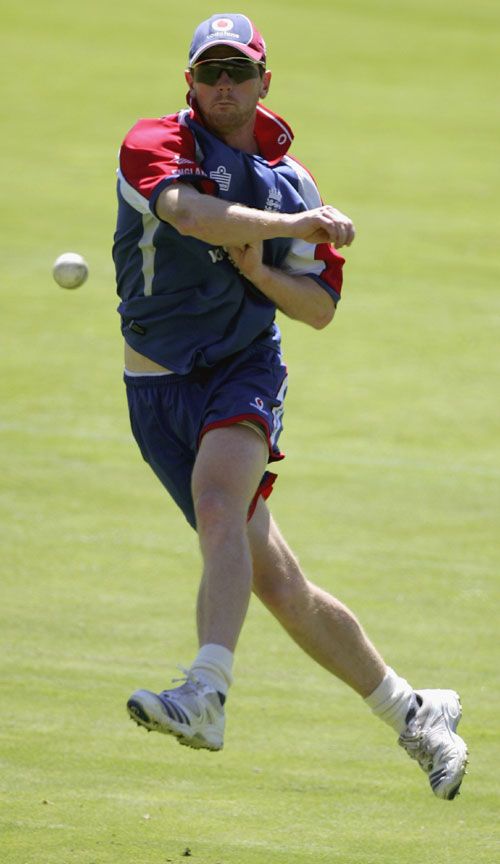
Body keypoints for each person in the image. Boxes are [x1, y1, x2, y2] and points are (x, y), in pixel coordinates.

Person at [112, 13, 468, 800]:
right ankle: (415, 711)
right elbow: (191, 214)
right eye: (212, 72)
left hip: (242, 369)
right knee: (276, 582)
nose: (226, 85)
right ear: (191, 85)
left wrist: (262, 268)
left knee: (218, 501)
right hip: (154, 387)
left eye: (240, 72)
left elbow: (317, 310)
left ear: (264, 83)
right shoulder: (153, 143)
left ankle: (205, 692)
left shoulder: (291, 181)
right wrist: (289, 227)